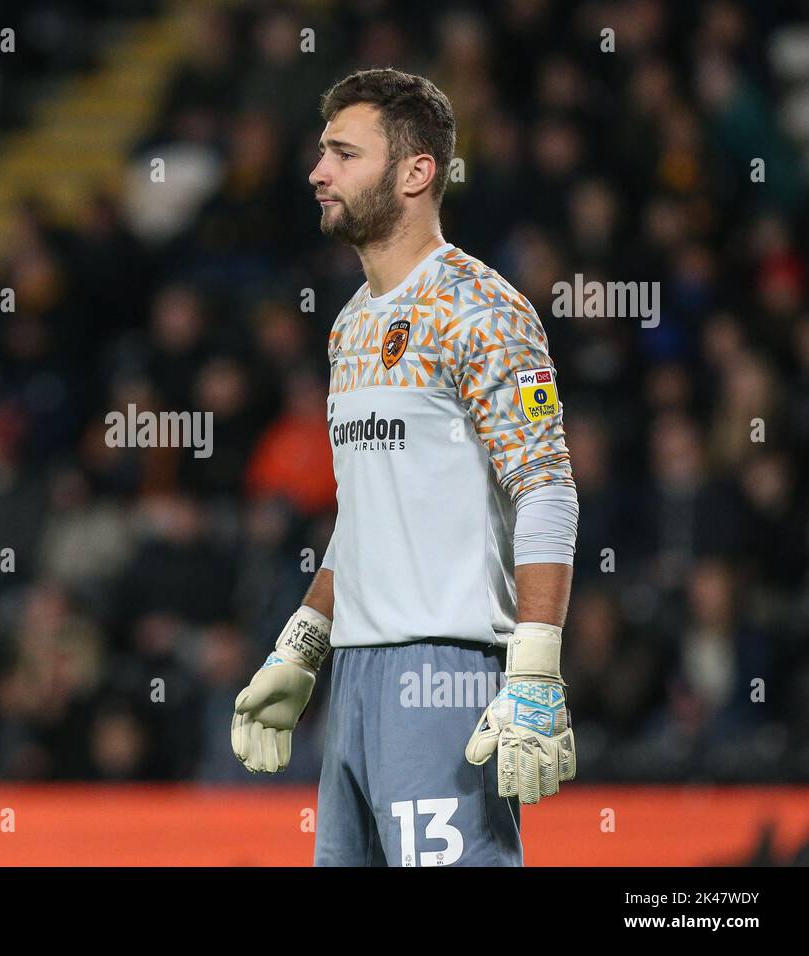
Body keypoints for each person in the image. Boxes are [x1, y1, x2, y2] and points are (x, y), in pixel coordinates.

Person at [231, 68, 578, 866]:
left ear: (417, 172)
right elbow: (367, 515)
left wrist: (534, 666)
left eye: (344, 154)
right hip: (355, 678)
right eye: (322, 154)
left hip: (444, 672)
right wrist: (303, 646)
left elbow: (547, 485)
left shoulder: (481, 310)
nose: (318, 172)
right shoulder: (351, 324)